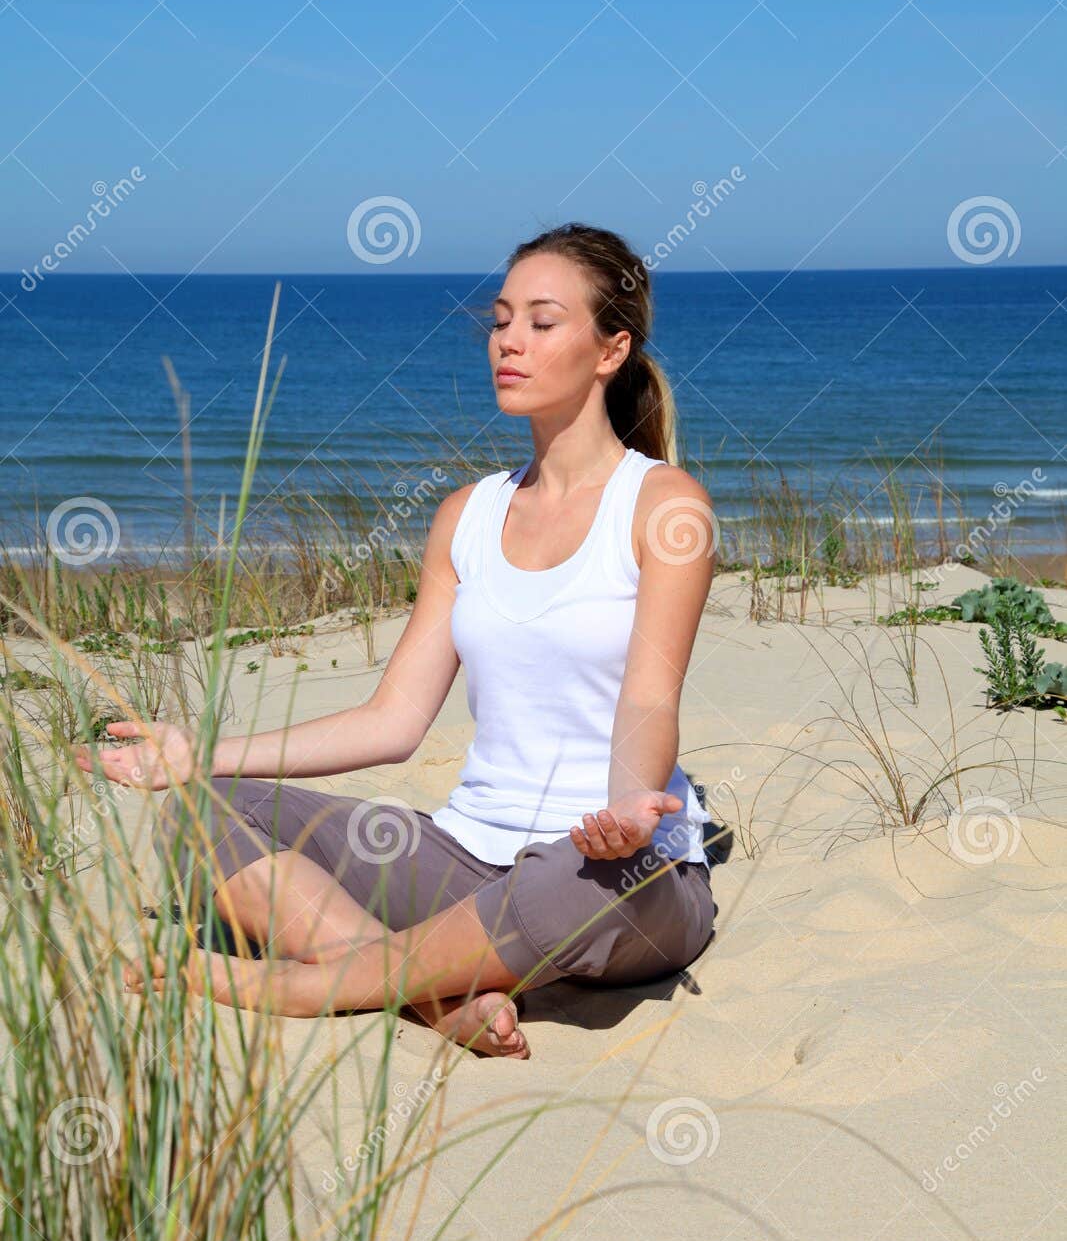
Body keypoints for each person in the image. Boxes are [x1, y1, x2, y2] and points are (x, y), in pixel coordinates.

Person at [74, 222, 719, 1059]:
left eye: (541, 321)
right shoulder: (466, 515)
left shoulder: (665, 507)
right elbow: (393, 720)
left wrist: (631, 812)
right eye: (499, 320)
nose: (508, 342)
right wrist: (200, 754)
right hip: (467, 859)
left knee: (574, 880)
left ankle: (302, 984)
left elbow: (647, 694)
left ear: (609, 349)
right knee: (203, 811)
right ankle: (434, 1000)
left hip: (617, 874)